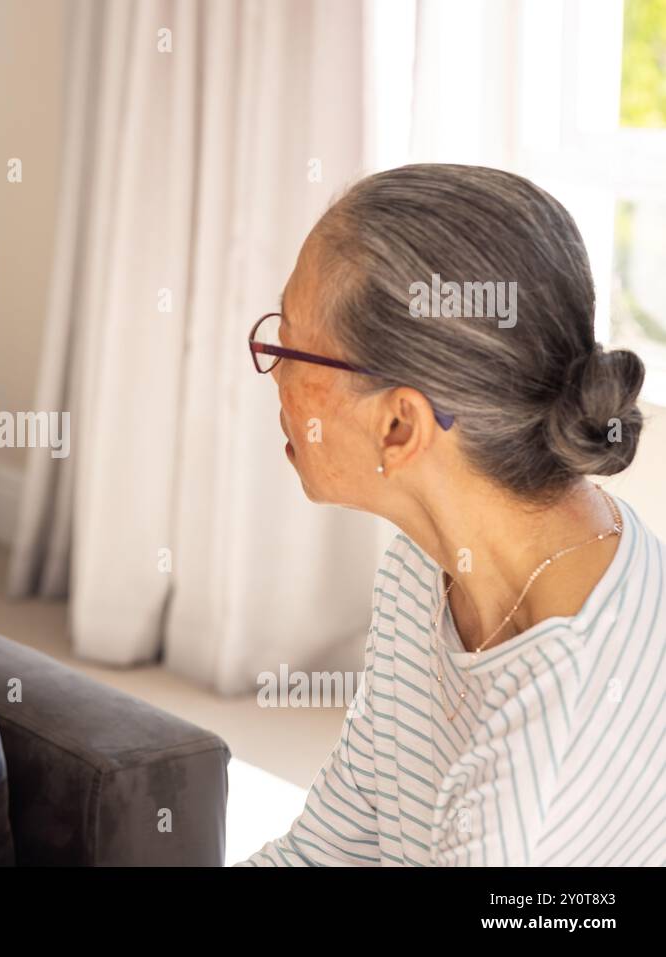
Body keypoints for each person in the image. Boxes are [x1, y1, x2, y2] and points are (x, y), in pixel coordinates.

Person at [239, 163, 664, 865]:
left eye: (287, 347)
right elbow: (327, 851)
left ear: (400, 427)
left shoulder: (545, 761)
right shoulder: (429, 568)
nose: (273, 374)